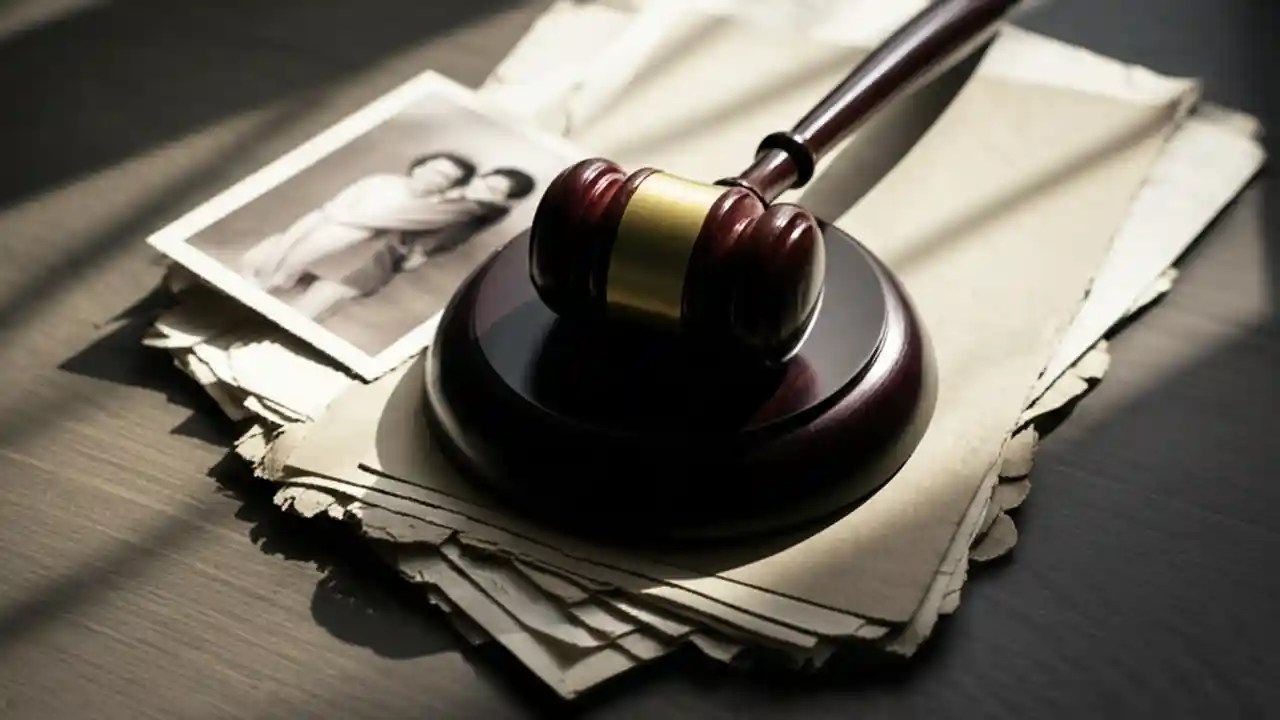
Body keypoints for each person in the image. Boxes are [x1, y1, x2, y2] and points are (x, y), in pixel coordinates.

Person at [245, 161, 536, 322]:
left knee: (301, 311)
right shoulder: (456, 200)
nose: (483, 189)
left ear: (504, 201)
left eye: (496, 191)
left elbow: (396, 219)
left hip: (369, 265)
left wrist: (337, 214)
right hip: (356, 260)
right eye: (487, 180)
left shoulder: (470, 208)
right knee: (287, 293)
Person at [237, 152, 476, 308]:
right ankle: (270, 279)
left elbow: (392, 235)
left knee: (309, 275)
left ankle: (276, 284)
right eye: (433, 168)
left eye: (445, 177)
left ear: (450, 186)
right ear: (420, 166)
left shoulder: (430, 209)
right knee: (281, 251)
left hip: (353, 257)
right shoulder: (382, 181)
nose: (434, 177)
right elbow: (336, 207)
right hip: (324, 226)